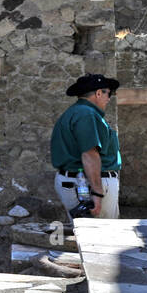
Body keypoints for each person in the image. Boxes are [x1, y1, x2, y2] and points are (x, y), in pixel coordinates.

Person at [50, 73, 121, 219]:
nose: (109, 98)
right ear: (98, 93)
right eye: (109, 93)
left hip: (79, 181)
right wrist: (97, 192)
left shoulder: (77, 112)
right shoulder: (86, 114)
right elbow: (90, 154)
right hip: (86, 183)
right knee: (102, 236)